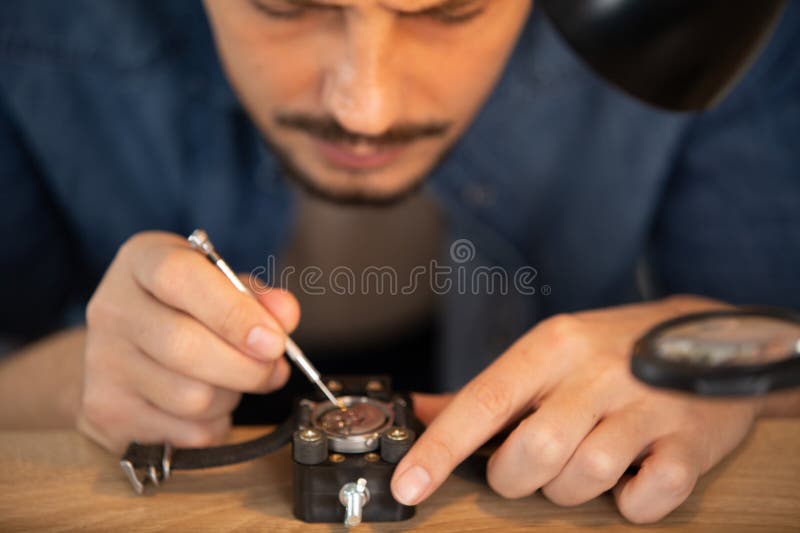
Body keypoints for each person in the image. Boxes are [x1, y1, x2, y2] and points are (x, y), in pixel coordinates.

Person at [0, 0, 798, 524]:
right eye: (283, 2)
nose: (364, 108)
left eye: (450, 10)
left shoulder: (710, 18)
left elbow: (782, 340)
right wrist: (79, 381)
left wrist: (715, 370)